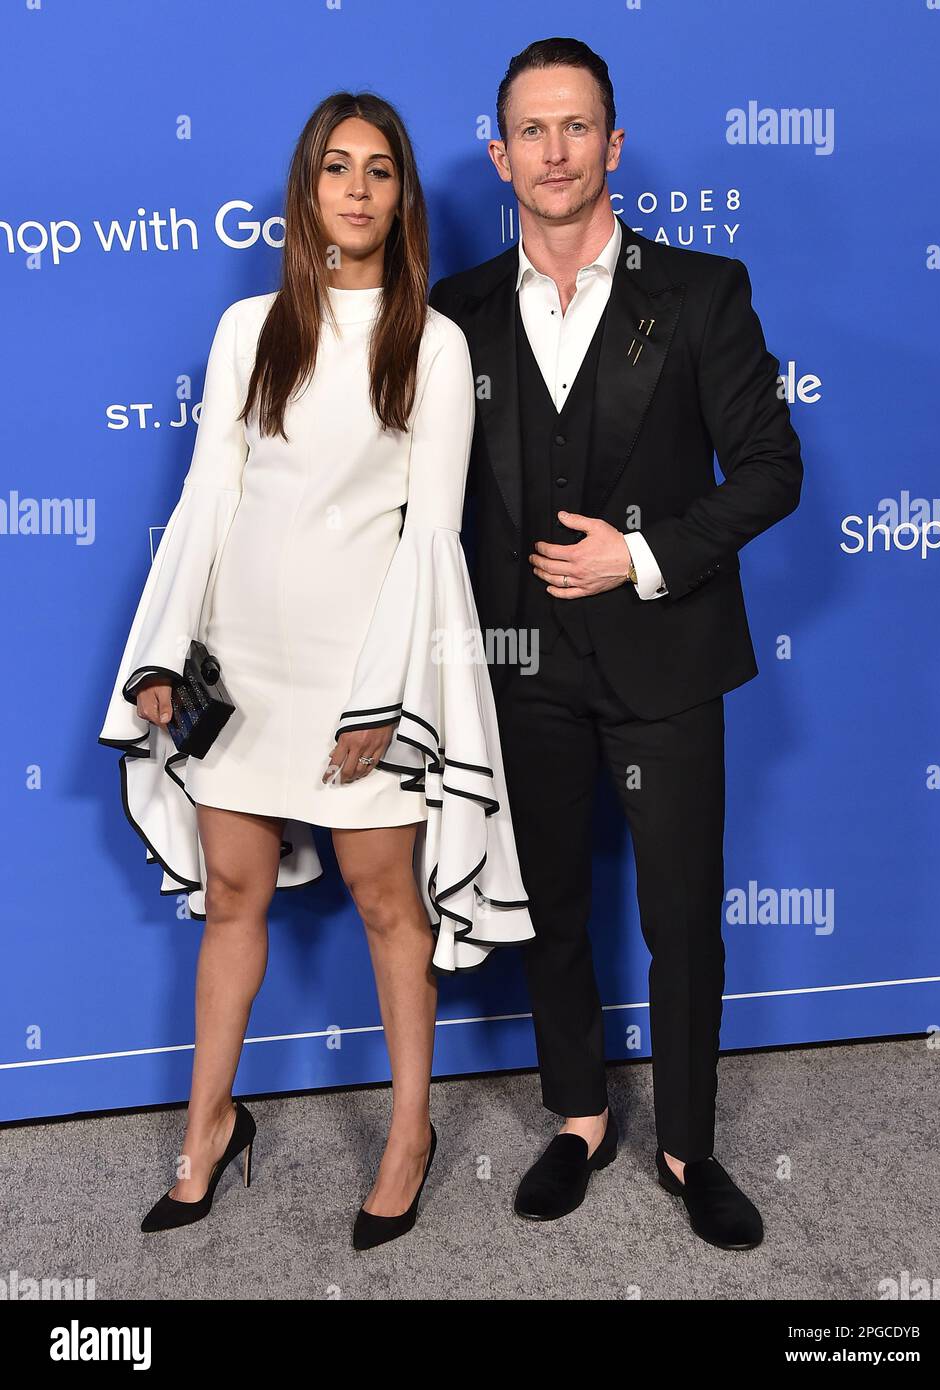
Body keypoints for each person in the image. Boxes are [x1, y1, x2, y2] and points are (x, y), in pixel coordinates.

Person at [98, 91, 533, 1249]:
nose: (356, 188)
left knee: (389, 903)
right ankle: (208, 1125)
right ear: (306, 189)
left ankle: (409, 1135)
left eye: (379, 170)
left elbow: (431, 537)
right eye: (336, 167)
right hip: (239, 671)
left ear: (402, 199)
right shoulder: (248, 328)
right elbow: (208, 500)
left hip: (361, 675)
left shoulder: (431, 343)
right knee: (232, 895)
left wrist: (386, 701)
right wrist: (159, 657)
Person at [429, 38, 803, 1249]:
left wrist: (636, 557)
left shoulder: (700, 292)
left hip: (665, 662)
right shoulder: (455, 313)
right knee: (549, 903)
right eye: (530, 131)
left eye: (576, 127)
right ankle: (579, 1115)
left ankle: (690, 1145)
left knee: (681, 912)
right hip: (518, 667)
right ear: (499, 154)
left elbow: (770, 470)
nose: (553, 151)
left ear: (613, 145)